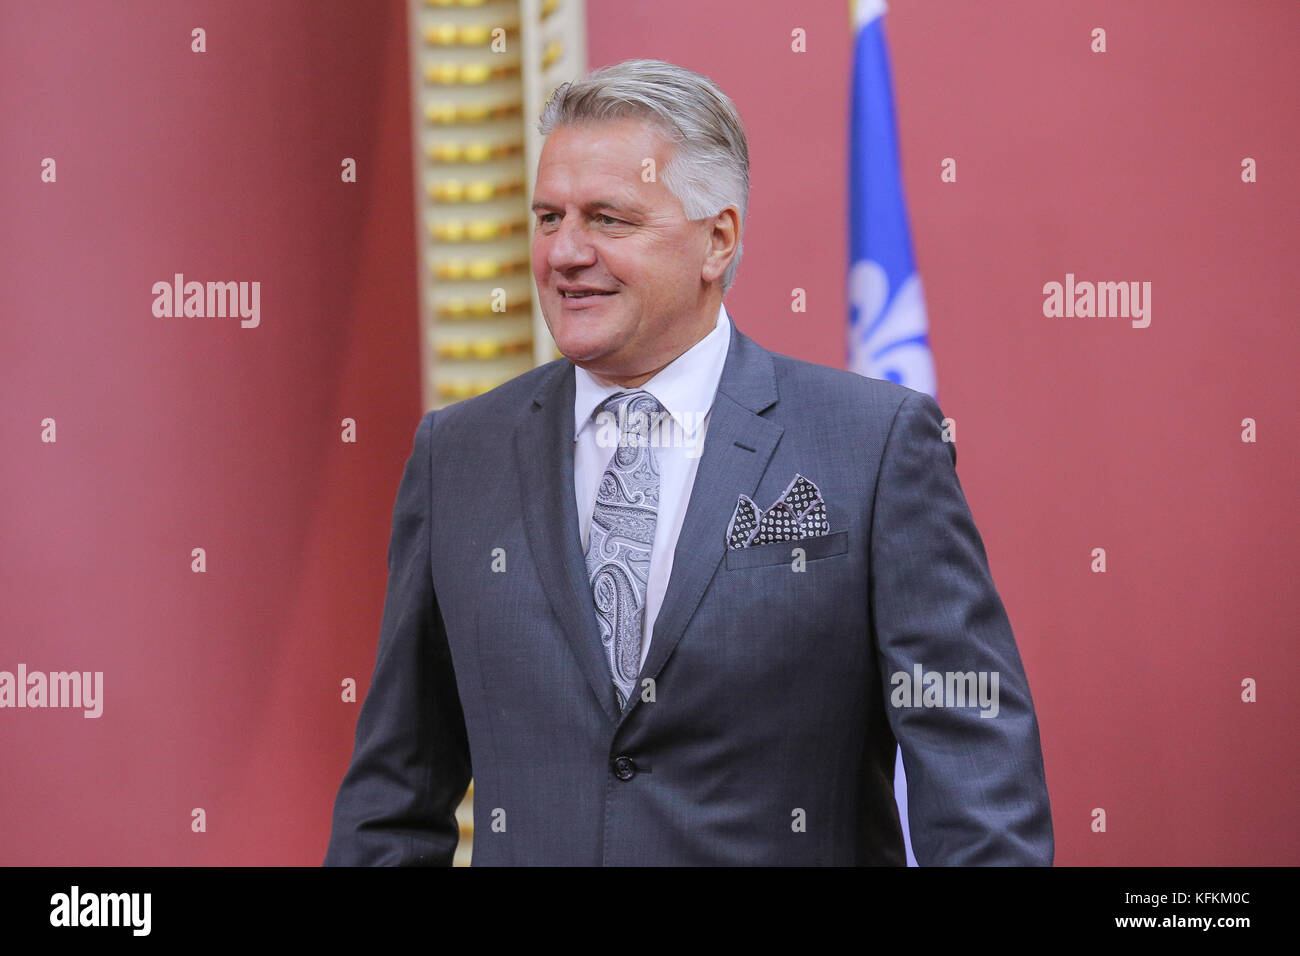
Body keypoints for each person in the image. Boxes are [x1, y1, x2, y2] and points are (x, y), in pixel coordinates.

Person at [323, 58, 1052, 866]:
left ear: (718, 239)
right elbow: (394, 793)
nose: (564, 252)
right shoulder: (456, 456)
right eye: (547, 217)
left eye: (608, 218)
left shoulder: (872, 446)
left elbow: (977, 775)